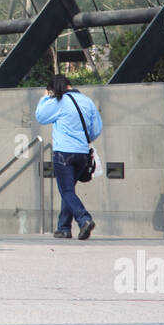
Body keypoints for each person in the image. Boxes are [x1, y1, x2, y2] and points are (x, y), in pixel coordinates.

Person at [35, 74, 102, 240]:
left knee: (66, 190)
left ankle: (84, 218)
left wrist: (45, 98)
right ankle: (64, 228)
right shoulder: (87, 101)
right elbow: (96, 128)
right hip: (83, 154)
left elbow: (40, 116)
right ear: (69, 84)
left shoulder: (59, 102)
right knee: (69, 190)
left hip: (64, 153)